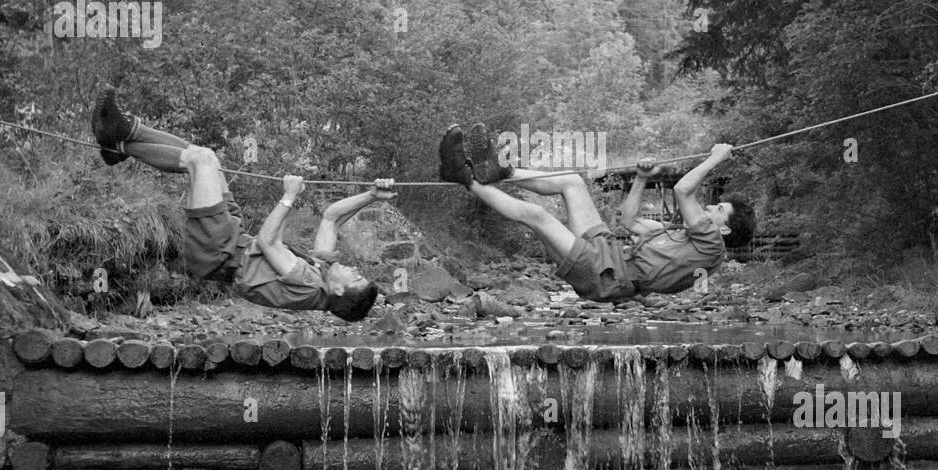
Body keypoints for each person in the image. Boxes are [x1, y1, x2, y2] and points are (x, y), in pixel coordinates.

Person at [91, 86, 387, 319]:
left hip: (218, 252)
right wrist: (371, 195)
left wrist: (289, 196)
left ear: (337, 290)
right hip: (233, 238)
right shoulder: (323, 269)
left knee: (200, 160)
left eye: (356, 277)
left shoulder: (309, 285)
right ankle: (125, 132)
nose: (354, 270)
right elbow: (331, 217)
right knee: (208, 157)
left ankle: (117, 142)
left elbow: (269, 242)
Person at [439, 122, 755, 303]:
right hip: (608, 251)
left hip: (608, 276)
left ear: (724, 229)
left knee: (538, 217)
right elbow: (627, 220)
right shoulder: (684, 238)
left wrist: (716, 158)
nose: (711, 207)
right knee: (573, 183)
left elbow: (683, 190)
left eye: (718, 208)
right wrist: (642, 180)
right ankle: (498, 172)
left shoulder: (712, 246)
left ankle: (464, 177)